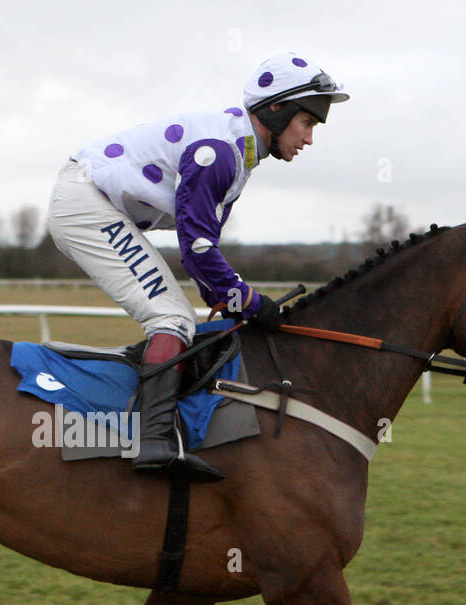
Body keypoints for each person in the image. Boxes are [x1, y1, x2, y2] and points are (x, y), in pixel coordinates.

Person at [47, 52, 348, 482]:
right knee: (171, 316)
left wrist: (232, 299)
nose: (310, 139)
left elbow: (205, 253)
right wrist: (249, 299)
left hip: (88, 199)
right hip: (84, 202)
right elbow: (199, 251)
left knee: (179, 316)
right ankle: (153, 441)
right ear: (277, 110)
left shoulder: (239, 149)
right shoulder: (221, 152)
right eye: (308, 123)